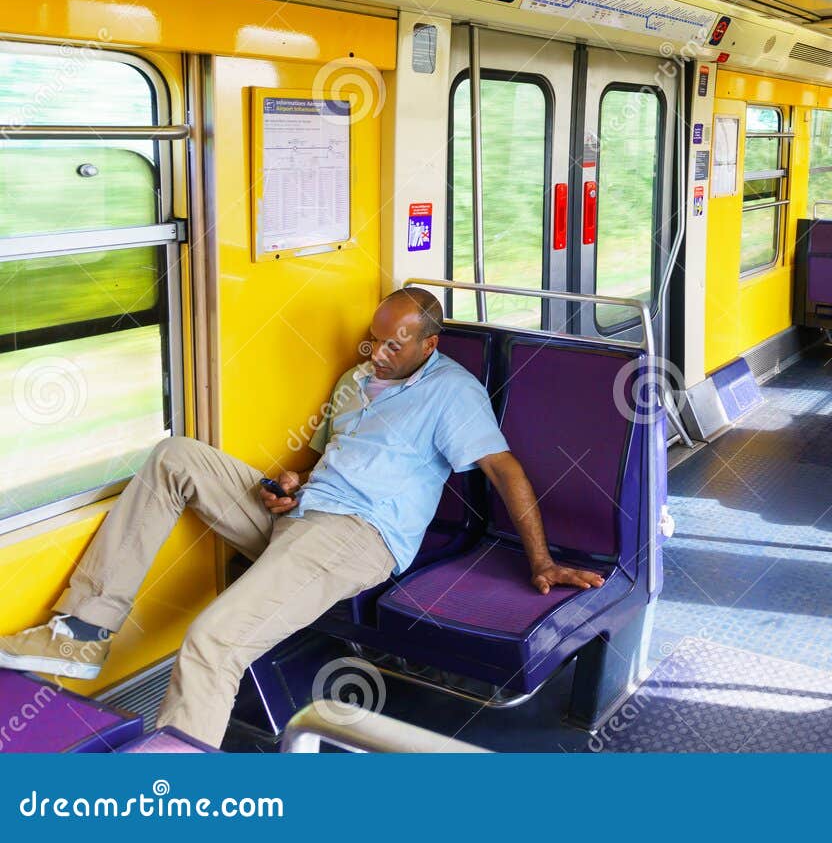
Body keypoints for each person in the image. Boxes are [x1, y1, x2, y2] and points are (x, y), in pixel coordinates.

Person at [0, 288, 603, 747]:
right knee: (176, 456)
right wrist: (291, 486)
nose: (380, 353)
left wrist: (542, 561)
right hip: (303, 513)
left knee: (213, 641)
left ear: (429, 345)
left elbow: (506, 471)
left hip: (355, 536)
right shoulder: (357, 379)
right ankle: (81, 634)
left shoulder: (451, 393)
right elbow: (319, 461)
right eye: (375, 339)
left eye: (396, 345)